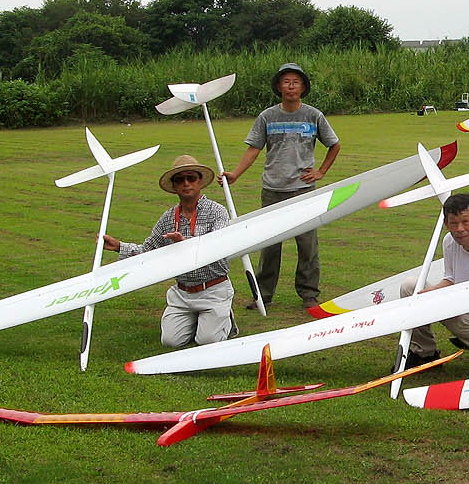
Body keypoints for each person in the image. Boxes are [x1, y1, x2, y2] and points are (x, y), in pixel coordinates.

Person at [222, 62, 341, 310]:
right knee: (269, 246)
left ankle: (309, 293)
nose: (291, 86)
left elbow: (334, 144)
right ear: (278, 86)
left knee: (307, 245)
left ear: (303, 87)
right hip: (273, 190)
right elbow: (253, 150)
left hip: (303, 190)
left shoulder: (314, 115)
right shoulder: (267, 117)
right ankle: (263, 295)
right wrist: (235, 174)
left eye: (296, 82)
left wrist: (321, 171)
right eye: (286, 82)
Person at [103, 155, 237, 348]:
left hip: (214, 289)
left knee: (207, 341)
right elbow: (148, 251)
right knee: (170, 341)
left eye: (191, 178)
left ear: (200, 181)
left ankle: (226, 321)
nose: (186, 183)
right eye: (179, 180)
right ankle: (200, 320)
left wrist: (185, 243)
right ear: (174, 186)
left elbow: (218, 246)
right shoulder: (167, 218)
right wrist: (118, 246)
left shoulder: (217, 211)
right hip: (183, 292)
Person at [399, 193, 469, 375]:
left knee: (452, 312)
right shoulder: (449, 241)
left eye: (466, 222)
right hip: (461, 301)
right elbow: (450, 279)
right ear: (446, 224)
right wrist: (427, 295)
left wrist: (444, 302)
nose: (460, 229)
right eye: (453, 223)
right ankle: (425, 354)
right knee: (410, 287)